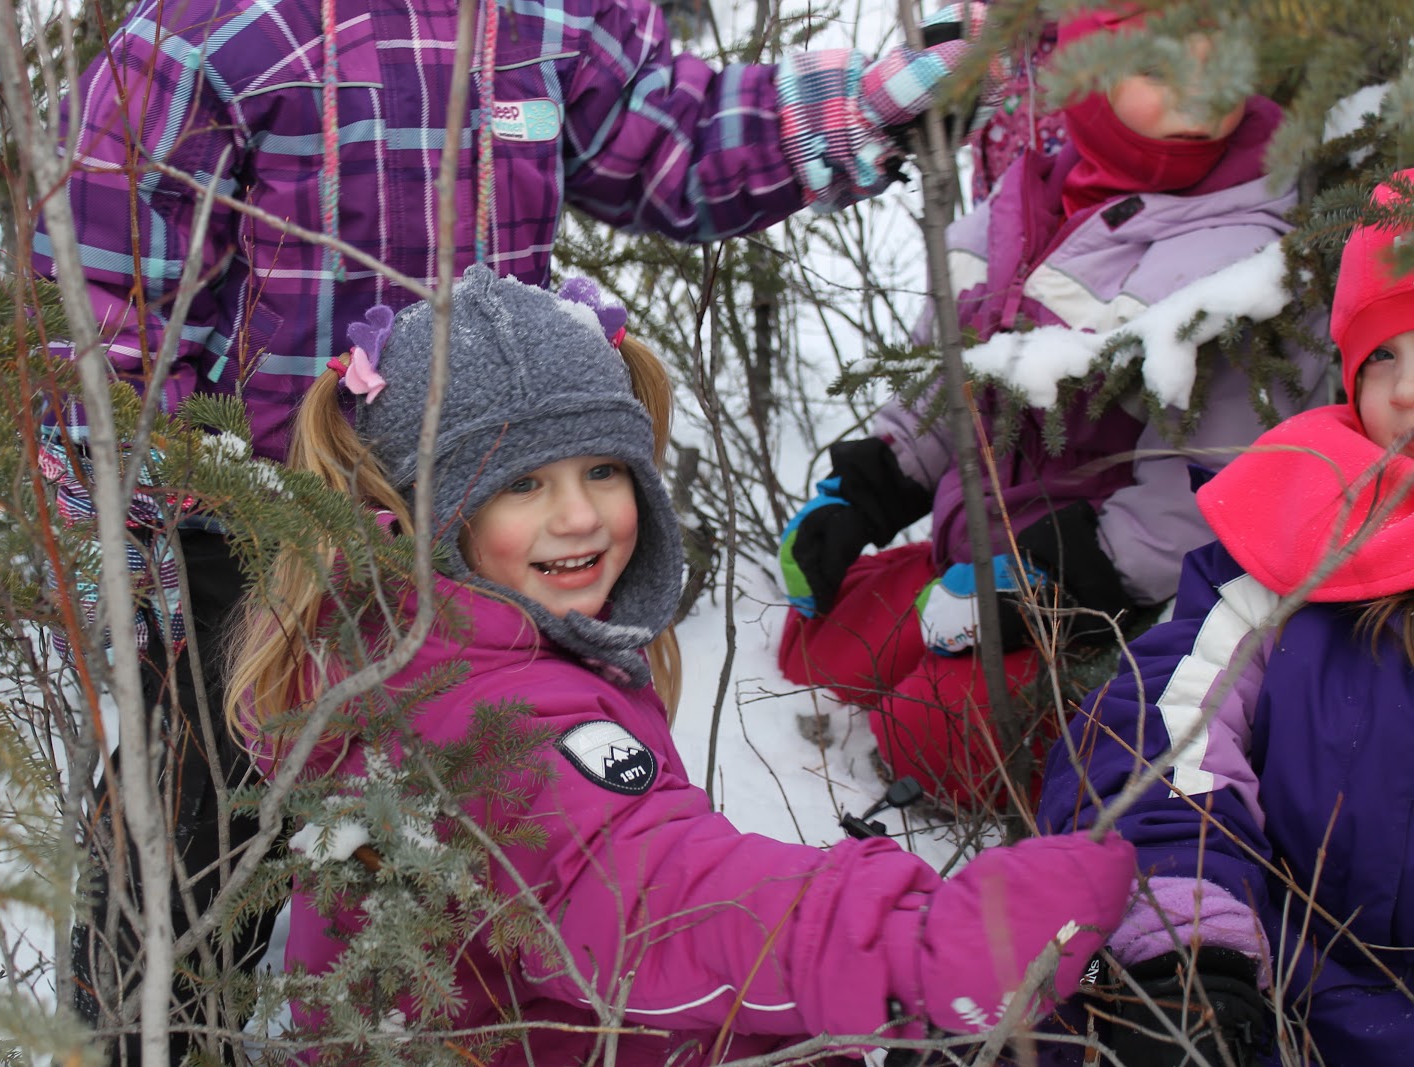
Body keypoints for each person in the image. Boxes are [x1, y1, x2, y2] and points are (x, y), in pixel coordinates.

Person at [33, 0, 1012, 1059]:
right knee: (205, 835)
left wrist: (858, 110)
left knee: (517, 824)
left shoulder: (540, 15)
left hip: (494, 529)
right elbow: (99, 323)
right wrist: (141, 552)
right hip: (270, 540)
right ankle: (153, 1035)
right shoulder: (204, 41)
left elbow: (665, 130)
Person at [226, 264, 1137, 1065]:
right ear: (424, 512)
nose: (579, 517)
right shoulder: (496, 710)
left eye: (603, 470)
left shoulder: (412, 640)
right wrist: (922, 942)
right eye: (519, 483)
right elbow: (653, 900)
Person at [776, 7, 1333, 810]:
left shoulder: (1245, 253)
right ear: (1086, 76)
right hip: (977, 544)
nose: (1204, 81)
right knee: (815, 649)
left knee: (935, 736)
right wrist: (871, 488)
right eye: (1159, 62)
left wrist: (1046, 583)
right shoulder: (1040, 195)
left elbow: (1208, 492)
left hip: (1108, 602)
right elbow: (963, 376)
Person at [1035, 169, 1414, 1067]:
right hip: (1292, 981)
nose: (1406, 389)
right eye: (1384, 356)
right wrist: (1199, 946)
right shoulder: (1294, 541)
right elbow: (1161, 727)